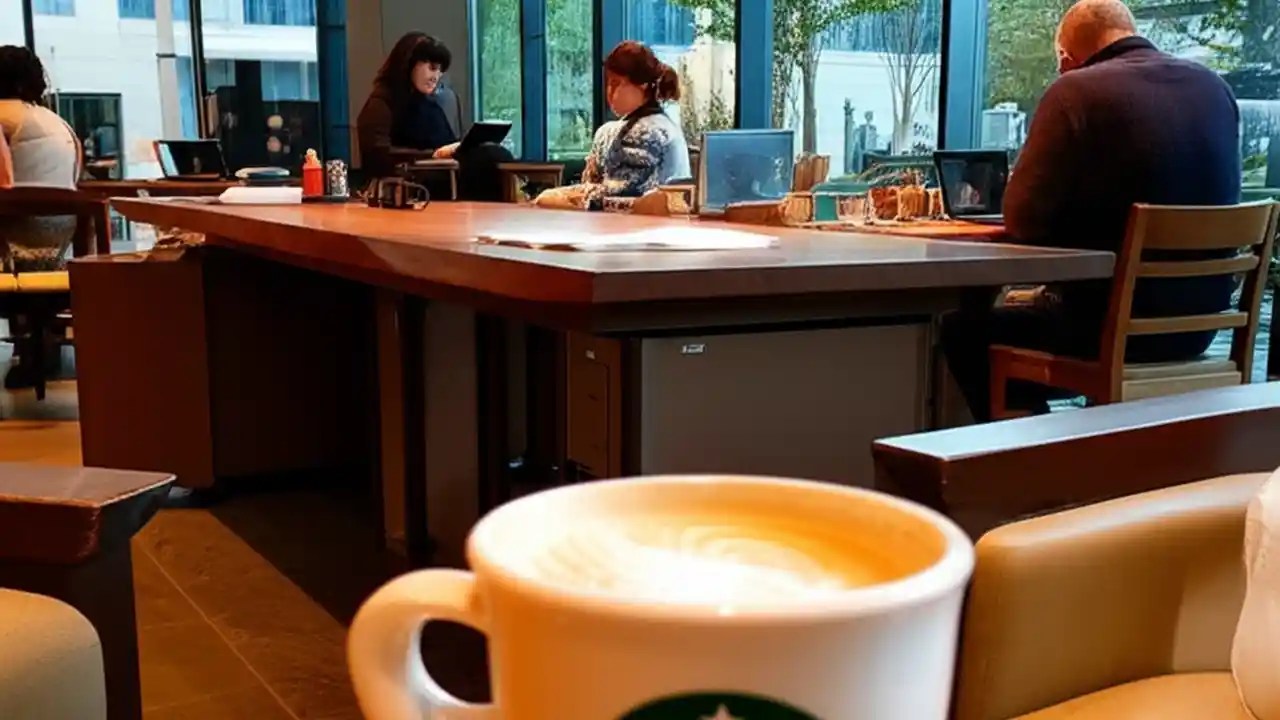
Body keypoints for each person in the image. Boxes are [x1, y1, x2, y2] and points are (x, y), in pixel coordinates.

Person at [940, 0, 1243, 422]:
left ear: (1065, 58)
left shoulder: (1075, 91)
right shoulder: (1215, 89)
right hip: (1199, 330)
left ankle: (1036, 454)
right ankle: (1078, 446)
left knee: (964, 331)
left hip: (1105, 335)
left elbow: (1022, 217)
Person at [0, 45, 82, 389]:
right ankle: (39, 343)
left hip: (13, 251)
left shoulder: (2, 116)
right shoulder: (57, 122)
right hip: (57, 250)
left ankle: (31, 346)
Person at [535, 41, 690, 211]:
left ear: (642, 85)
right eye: (608, 83)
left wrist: (559, 196)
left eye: (616, 83)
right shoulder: (663, 126)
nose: (609, 90)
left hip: (640, 225)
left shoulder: (646, 131)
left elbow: (621, 193)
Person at [357, 32, 511, 201]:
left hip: (443, 175)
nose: (435, 77)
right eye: (432, 68)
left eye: (440, 71)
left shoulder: (432, 105)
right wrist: (433, 155)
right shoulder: (381, 104)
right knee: (486, 159)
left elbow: (448, 144)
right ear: (408, 65)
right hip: (412, 183)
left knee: (493, 154)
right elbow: (377, 155)